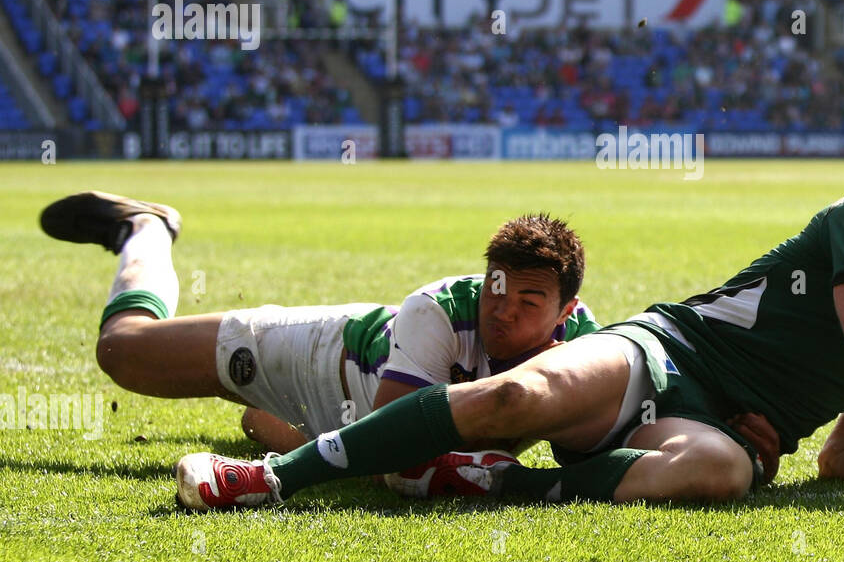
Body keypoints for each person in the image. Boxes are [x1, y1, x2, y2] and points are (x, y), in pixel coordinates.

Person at [173, 141, 844, 511]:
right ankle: (266, 474)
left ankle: (493, 483)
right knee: (521, 392)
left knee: (719, 472)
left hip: (721, 429)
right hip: (671, 351)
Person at [39, 193, 599, 456]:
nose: (503, 310)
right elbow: (394, 452)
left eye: (529, 301)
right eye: (496, 288)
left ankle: (276, 422)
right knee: (123, 351)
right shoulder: (437, 310)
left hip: (351, 409)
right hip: (318, 354)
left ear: (565, 312)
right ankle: (146, 229)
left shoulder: (585, 346)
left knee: (268, 430)